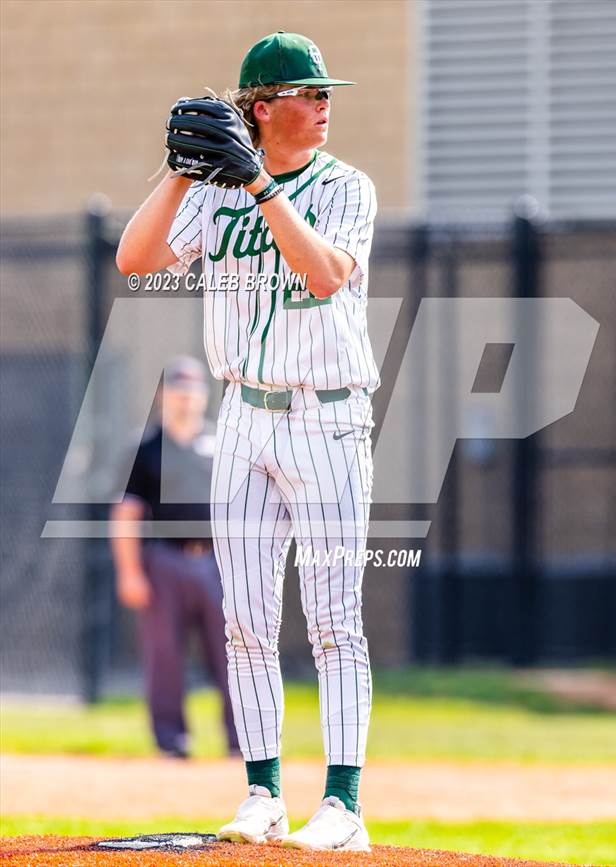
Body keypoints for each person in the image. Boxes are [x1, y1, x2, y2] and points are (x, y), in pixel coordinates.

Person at [116, 31, 378, 852]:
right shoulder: (213, 192)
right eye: (308, 93)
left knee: (334, 620)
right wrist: (178, 171)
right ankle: (263, 793)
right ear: (261, 108)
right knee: (246, 622)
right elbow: (134, 258)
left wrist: (258, 181)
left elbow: (324, 275)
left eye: (326, 93)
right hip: (243, 416)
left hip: (328, 417)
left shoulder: (347, 186)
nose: (325, 104)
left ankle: (342, 805)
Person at [110, 355, 239, 759]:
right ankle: (171, 740)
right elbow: (126, 513)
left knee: (237, 652)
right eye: (177, 390)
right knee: (164, 653)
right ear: (163, 396)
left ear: (203, 396)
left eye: (192, 390)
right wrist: (130, 572)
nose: (185, 398)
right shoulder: (146, 448)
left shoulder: (224, 444)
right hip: (165, 560)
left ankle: (244, 741)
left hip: (219, 563)